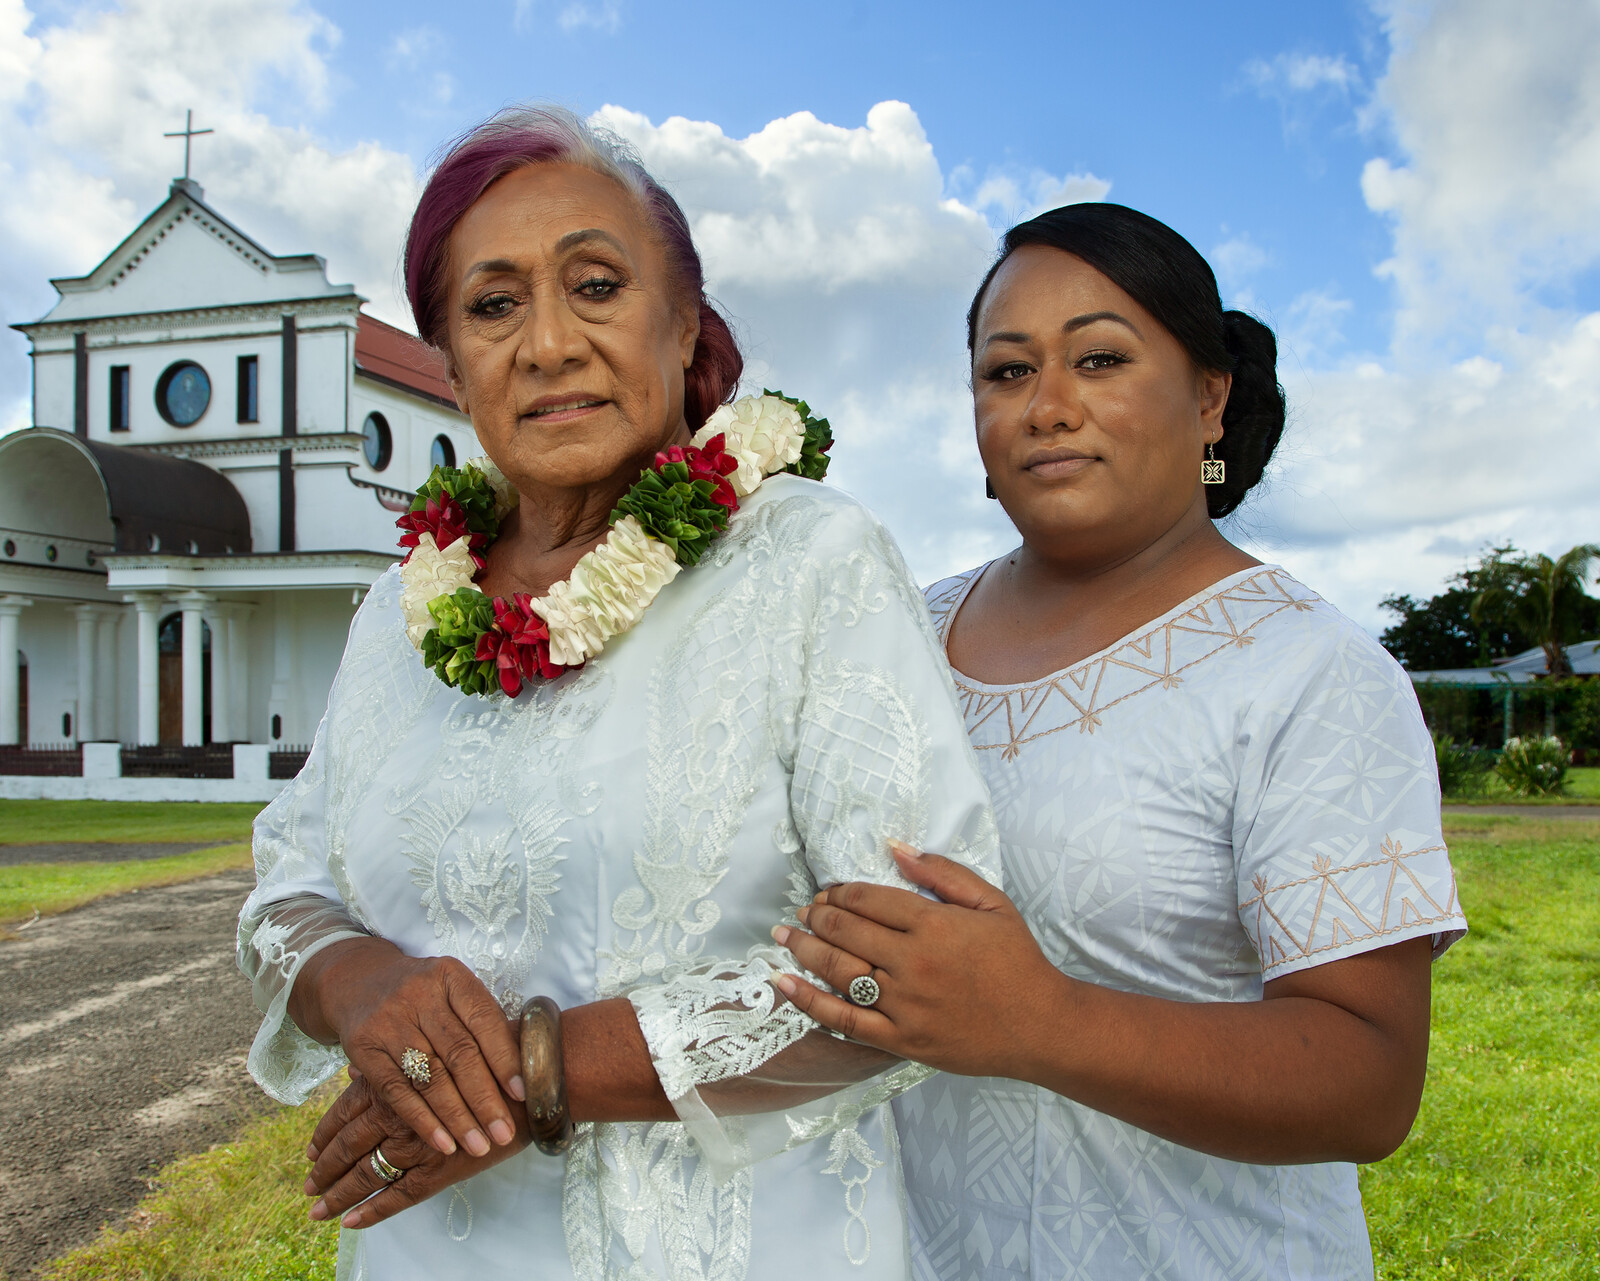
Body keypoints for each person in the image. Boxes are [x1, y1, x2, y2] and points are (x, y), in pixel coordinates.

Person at [240, 105, 998, 1281]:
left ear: (683, 321)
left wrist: (531, 1071)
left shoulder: (805, 560)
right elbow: (287, 877)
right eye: (493, 305)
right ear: (447, 357)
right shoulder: (400, 615)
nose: (547, 344)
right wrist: (361, 985)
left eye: (594, 286)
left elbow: (920, 959)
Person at [771, 203, 1467, 1281]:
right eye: (1006, 374)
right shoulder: (888, 635)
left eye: (1099, 359)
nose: (1047, 407)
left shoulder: (1307, 671)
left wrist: (1044, 1020)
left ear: (1208, 398)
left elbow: (1369, 1080)